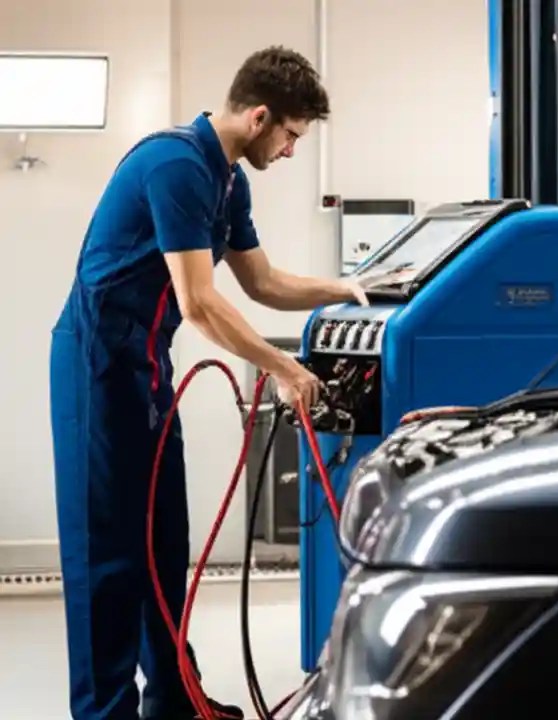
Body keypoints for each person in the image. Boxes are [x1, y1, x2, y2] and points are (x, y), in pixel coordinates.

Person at [49, 46, 365, 719]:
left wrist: (354, 289)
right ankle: (104, 712)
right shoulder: (175, 166)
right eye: (290, 136)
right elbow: (198, 302)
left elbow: (264, 282)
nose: (288, 152)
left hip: (146, 364)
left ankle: (174, 701)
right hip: (95, 361)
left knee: (164, 543)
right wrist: (282, 367)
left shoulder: (228, 181)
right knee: (105, 554)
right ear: (259, 116)